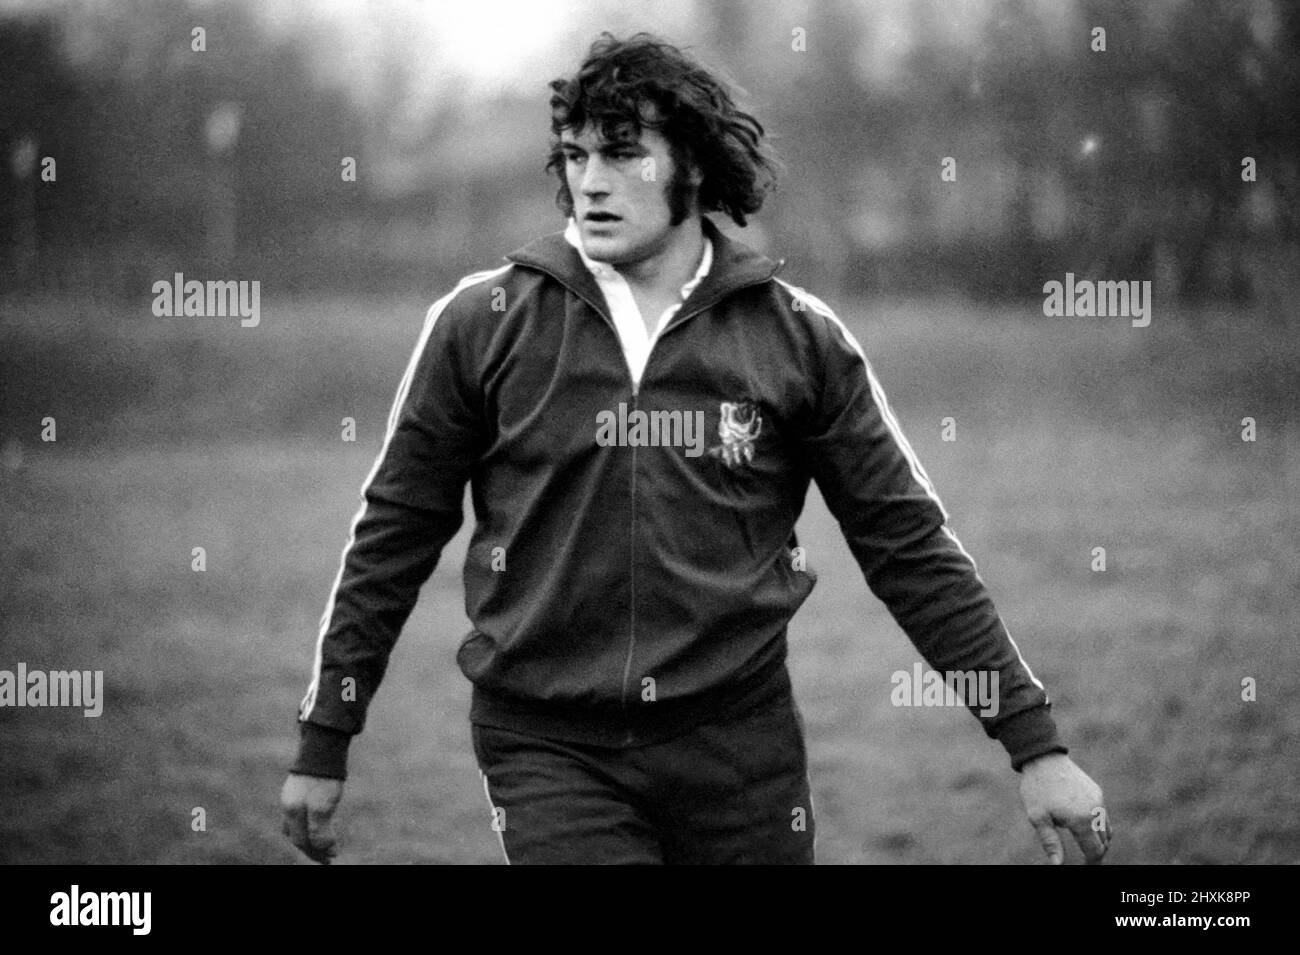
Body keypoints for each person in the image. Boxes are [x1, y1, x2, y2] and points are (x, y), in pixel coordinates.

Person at [281, 31, 1109, 865]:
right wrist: (326, 737)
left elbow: (909, 549)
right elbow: (392, 535)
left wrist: (1032, 742)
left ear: (696, 169)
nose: (590, 181)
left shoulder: (796, 339)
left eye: (623, 154)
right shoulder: (482, 323)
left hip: (741, 750)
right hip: (550, 747)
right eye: (574, 155)